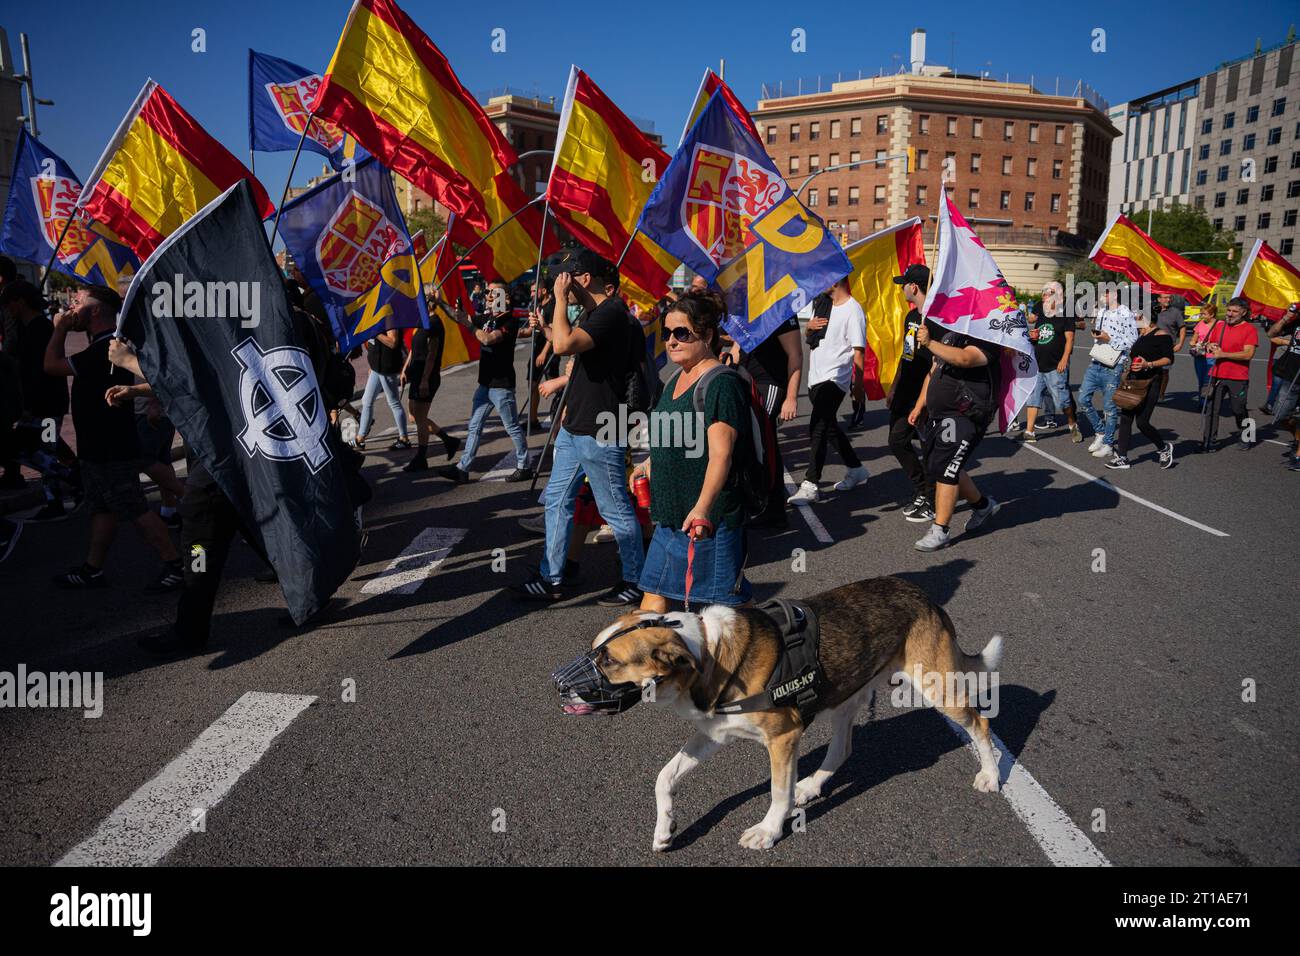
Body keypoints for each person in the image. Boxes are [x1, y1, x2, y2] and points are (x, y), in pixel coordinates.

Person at [512, 250, 645, 606]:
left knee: (615, 507)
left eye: (567, 276)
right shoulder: (597, 311)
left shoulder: (613, 314)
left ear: (584, 279)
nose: (560, 282)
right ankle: (551, 576)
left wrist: (558, 298)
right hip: (576, 426)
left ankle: (636, 579)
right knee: (557, 500)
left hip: (602, 427)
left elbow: (562, 344)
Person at [42, 285, 182, 590]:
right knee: (102, 507)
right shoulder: (107, 346)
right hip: (98, 444)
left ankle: (177, 564)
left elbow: (51, 365)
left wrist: (61, 328)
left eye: (77, 303)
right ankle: (93, 568)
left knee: (135, 508)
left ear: (94, 311)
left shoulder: (104, 349)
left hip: (110, 446)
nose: (71, 309)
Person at [632, 290, 751, 610]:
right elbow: (675, 435)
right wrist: (650, 464)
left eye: (682, 332)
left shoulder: (720, 384)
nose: (671, 340)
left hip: (708, 519)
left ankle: (774, 653)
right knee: (654, 596)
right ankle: (651, 659)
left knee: (727, 612)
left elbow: (721, 455)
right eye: (667, 333)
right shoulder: (675, 379)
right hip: (671, 517)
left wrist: (702, 508)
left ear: (708, 334)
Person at [912, 318, 1003, 552]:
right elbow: (934, 371)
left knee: (946, 468)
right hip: (939, 415)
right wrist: (919, 404)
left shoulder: (987, 336)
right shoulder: (952, 334)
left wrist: (930, 341)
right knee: (939, 464)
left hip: (964, 416)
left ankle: (940, 529)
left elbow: (965, 358)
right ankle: (983, 506)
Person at [436, 278, 530, 483]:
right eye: (487, 291)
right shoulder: (488, 318)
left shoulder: (509, 321)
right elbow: (460, 316)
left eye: (493, 292)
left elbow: (487, 339)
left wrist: (468, 324)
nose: (487, 295)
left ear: (503, 297)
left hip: (502, 385)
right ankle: (463, 468)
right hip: (485, 384)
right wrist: (441, 303)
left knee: (512, 426)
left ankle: (525, 465)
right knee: (474, 426)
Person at [787, 277, 869, 503]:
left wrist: (858, 386)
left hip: (835, 378)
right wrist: (809, 328)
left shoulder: (853, 310)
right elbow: (811, 338)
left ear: (835, 280)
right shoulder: (823, 305)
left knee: (817, 426)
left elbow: (859, 352)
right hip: (815, 378)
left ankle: (811, 483)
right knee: (829, 427)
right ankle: (856, 469)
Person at [0, 280, 77, 520]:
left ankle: (74, 484)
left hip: (45, 407)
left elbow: (38, 373)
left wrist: (29, 406)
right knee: (25, 450)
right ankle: (64, 491)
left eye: (9, 303)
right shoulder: (25, 328)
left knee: (43, 452)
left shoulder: (40, 329)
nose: (7, 309)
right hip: (34, 406)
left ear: (20, 302)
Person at [732, 307, 801, 528]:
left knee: (764, 442)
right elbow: (736, 349)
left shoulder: (782, 310)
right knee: (747, 444)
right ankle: (756, 500)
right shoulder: (744, 309)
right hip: (744, 380)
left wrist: (791, 397)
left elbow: (795, 355)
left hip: (770, 384)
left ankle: (774, 509)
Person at [887, 264, 939, 523]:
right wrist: (895, 385)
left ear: (914, 286)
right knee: (896, 441)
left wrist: (922, 402)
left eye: (904, 284)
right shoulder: (910, 317)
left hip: (925, 394)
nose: (902, 288)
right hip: (904, 392)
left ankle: (932, 500)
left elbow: (935, 365)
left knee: (928, 447)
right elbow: (907, 354)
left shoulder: (936, 320)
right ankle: (921, 490)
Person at [1106, 313, 1175, 470]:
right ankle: (1122, 457)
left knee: (1142, 423)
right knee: (1125, 417)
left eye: (1136, 317)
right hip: (1134, 380)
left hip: (1151, 382)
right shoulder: (1140, 334)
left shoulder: (1162, 335)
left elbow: (1169, 359)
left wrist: (1148, 364)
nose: (1133, 320)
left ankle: (1164, 449)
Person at [1079, 286, 1139, 460]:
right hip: (1096, 359)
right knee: (1083, 399)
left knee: (1109, 407)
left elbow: (1132, 340)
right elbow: (1100, 333)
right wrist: (1097, 335)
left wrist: (1109, 338)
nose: (1102, 295)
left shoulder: (1125, 313)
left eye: (1105, 292)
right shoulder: (1102, 312)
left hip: (1113, 365)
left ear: (1114, 294)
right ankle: (1100, 431)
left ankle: (1108, 444)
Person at [399, 302, 459, 472]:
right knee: (414, 416)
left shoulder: (434, 324)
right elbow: (413, 347)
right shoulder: (422, 320)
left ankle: (421, 457)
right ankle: (449, 440)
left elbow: (432, 354)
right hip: (416, 374)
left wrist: (425, 379)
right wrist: (405, 368)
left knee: (420, 417)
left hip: (427, 376)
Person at [1021, 280, 1081, 443]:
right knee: (1033, 398)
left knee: (1063, 401)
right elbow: (1036, 328)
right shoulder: (1041, 307)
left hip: (1056, 364)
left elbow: (1070, 338)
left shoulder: (1066, 312)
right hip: (1038, 362)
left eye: (1048, 293)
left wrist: (1064, 359)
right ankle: (1029, 431)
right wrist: (1034, 335)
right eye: (1044, 293)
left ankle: (1072, 423)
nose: (1045, 295)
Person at [1203, 297, 1259, 449]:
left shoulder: (1249, 329)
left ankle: (1247, 435)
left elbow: (1248, 354)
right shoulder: (1219, 326)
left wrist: (1223, 354)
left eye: (1235, 311)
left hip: (1238, 377)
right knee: (1212, 409)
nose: (1230, 314)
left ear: (1244, 312)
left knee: (1238, 409)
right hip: (1216, 374)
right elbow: (1211, 345)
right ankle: (1209, 442)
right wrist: (1210, 346)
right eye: (1228, 310)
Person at [354, 328, 410, 452]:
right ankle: (360, 439)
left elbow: (393, 342)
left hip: (386, 366)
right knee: (367, 401)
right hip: (377, 367)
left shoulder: (388, 316)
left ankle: (404, 439)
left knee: (394, 402)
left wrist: (376, 333)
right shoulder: (377, 315)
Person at [1264, 302, 1300, 471]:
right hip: (1290, 376)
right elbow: (1271, 334)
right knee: (1281, 417)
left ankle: (1299, 456)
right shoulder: (1295, 322)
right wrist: (1288, 316)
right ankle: (1297, 438)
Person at [1189, 303, 1218, 399]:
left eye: (1204, 314)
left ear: (1212, 314)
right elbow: (1192, 341)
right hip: (1200, 356)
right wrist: (1197, 344)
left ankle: (1209, 403)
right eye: (1201, 314)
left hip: (1212, 357)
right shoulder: (1200, 324)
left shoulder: (1220, 325)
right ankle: (1202, 403)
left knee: (1208, 381)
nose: (1202, 316)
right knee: (1201, 380)